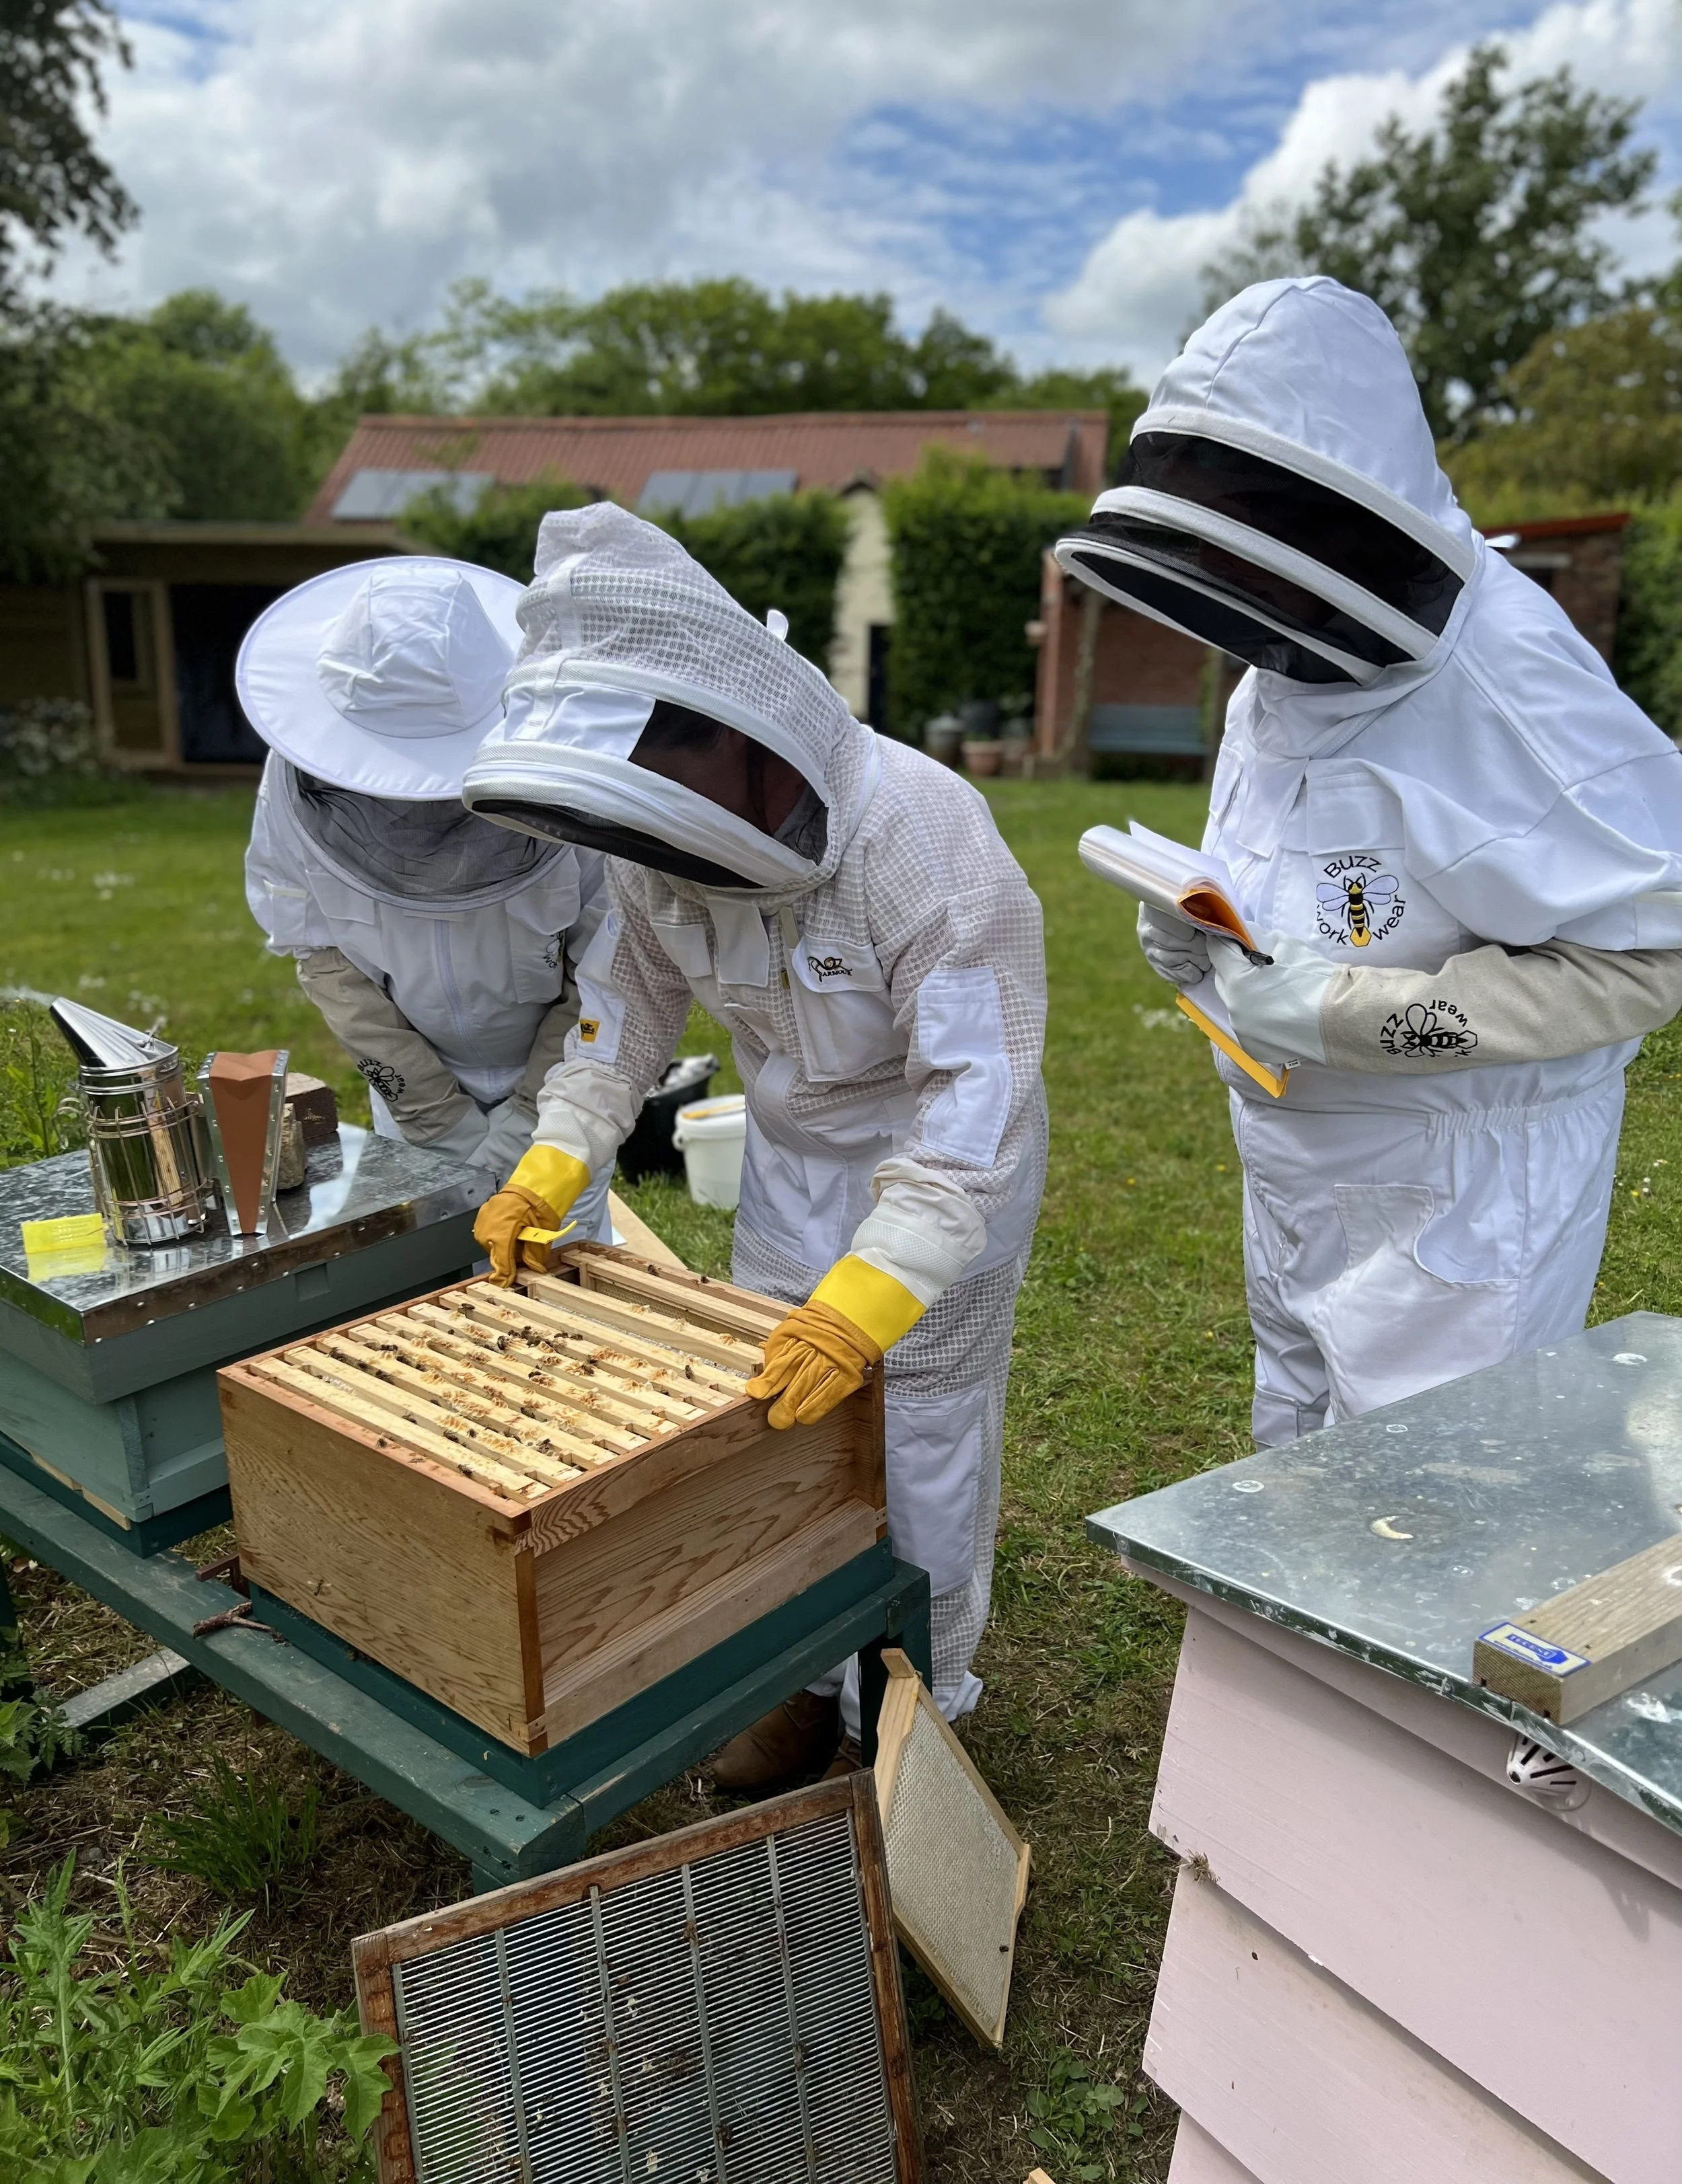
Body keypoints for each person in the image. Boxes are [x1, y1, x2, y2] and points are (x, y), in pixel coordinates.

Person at [464, 503, 1047, 1784]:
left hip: (942, 1178)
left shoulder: (932, 848)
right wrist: (554, 1163)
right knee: (774, 1437)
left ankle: (911, 1709)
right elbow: (620, 1034)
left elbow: (974, 1111)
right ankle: (793, 1676)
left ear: (739, 734)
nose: (649, 854)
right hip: (790, 1165)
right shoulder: (654, 855)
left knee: (923, 1445)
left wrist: (873, 1298)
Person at [1056, 276, 1682, 1448]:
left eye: (1260, 560)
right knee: (1295, 1446)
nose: (1243, 602)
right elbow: (1306, 871)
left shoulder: (1518, 693)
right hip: (1298, 1157)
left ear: (1340, 524)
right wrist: (1198, 929)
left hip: (1465, 1188)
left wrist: (1354, 1013)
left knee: (1424, 1507)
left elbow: (1650, 952)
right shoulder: (1278, 671)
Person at [238, 554, 611, 1236]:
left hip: (563, 1081)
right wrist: (434, 1115)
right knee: (433, 1268)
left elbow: (606, 971)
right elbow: (324, 959)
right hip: (413, 1085)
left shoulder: (569, 777)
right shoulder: (292, 789)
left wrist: (534, 1117)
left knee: (567, 1262)